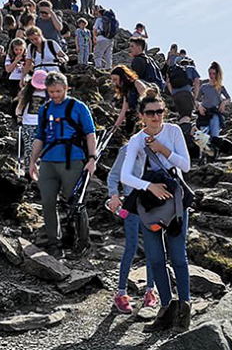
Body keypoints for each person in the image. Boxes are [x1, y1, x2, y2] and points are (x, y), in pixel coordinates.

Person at [120, 89, 192, 333]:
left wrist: (163, 149)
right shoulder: (136, 140)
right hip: (149, 203)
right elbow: (125, 175)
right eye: (150, 113)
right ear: (141, 115)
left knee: (178, 257)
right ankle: (166, 308)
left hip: (175, 202)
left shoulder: (173, 131)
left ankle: (184, 309)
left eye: (159, 111)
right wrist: (148, 185)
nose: (155, 116)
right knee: (155, 258)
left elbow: (186, 165)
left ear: (165, 111)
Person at [28, 72, 97, 257]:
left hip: (72, 160)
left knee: (75, 203)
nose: (55, 95)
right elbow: (39, 137)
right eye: (51, 92)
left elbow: (90, 133)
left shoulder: (79, 107)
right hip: (49, 161)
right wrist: (32, 161)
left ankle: (82, 244)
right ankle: (54, 244)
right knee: (48, 202)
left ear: (66, 88)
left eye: (58, 91)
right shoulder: (44, 109)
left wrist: (92, 158)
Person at [107, 143, 157, 313]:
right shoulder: (128, 149)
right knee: (131, 246)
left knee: (153, 246)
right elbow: (113, 176)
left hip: (153, 204)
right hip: (132, 203)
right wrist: (114, 196)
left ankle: (150, 291)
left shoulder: (161, 147)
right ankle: (121, 293)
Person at [15, 70, 48, 173]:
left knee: (41, 148)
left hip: (42, 125)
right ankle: (29, 170)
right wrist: (19, 116)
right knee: (29, 148)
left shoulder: (49, 93)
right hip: (28, 123)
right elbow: (20, 106)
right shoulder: (27, 91)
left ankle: (40, 170)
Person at [111, 65, 150, 137]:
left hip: (144, 118)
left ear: (122, 77)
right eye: (113, 80)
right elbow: (124, 110)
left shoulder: (137, 83)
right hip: (133, 118)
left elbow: (148, 101)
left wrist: (145, 119)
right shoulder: (126, 90)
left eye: (115, 79)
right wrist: (114, 128)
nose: (114, 83)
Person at [196, 61, 231, 138]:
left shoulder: (220, 87)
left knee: (215, 136)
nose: (211, 76)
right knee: (202, 137)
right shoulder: (204, 87)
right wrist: (199, 106)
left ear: (217, 74)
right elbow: (196, 100)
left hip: (214, 113)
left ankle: (216, 149)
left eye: (214, 73)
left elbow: (229, 98)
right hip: (203, 114)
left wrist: (223, 103)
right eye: (210, 73)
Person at [166, 57, 201, 123]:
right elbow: (197, 82)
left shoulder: (173, 70)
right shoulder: (191, 68)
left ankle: (181, 130)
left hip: (176, 96)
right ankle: (184, 131)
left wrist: (173, 94)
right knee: (186, 116)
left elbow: (168, 83)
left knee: (182, 116)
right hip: (186, 95)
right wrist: (195, 97)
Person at [4, 38, 27, 118]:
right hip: (13, 79)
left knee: (25, 98)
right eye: (16, 49)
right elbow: (8, 69)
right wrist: (15, 61)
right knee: (15, 98)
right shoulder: (9, 56)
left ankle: (24, 116)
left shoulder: (27, 57)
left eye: (21, 49)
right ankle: (15, 117)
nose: (19, 52)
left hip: (25, 79)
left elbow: (32, 68)